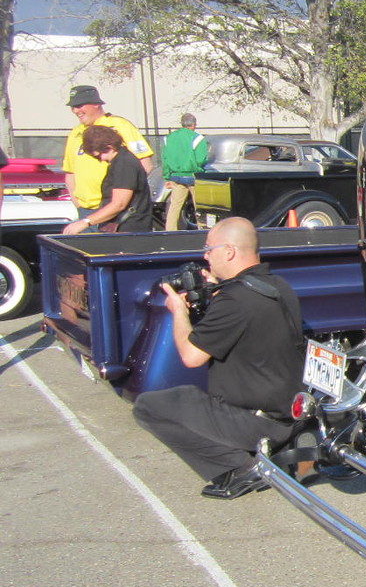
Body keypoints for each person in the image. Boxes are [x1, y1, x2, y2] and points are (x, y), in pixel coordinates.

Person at [132, 217, 306, 499]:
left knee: (148, 406)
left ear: (229, 252)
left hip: (254, 420)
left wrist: (178, 310)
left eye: (209, 249)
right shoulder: (277, 285)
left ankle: (243, 468)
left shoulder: (236, 299)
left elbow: (191, 357)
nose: (205, 256)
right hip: (286, 412)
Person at [60, 85, 155, 218]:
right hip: (86, 211)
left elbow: (146, 164)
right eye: (73, 107)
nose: (76, 110)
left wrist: (124, 199)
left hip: (117, 210)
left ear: (95, 104)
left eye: (80, 105)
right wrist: (78, 203)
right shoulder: (75, 134)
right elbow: (70, 172)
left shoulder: (120, 126)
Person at [61, 125, 154, 234]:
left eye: (98, 156)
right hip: (123, 228)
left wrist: (86, 222)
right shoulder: (119, 161)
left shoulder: (124, 164)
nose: (100, 160)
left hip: (129, 230)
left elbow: (119, 204)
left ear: (110, 147)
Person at [162, 112, 208, 230]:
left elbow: (165, 158)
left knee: (175, 205)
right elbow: (201, 159)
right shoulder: (198, 138)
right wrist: (198, 169)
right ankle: (202, 228)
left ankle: (170, 230)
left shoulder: (169, 138)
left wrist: (167, 176)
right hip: (193, 175)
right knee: (199, 205)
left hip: (176, 176)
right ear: (194, 125)